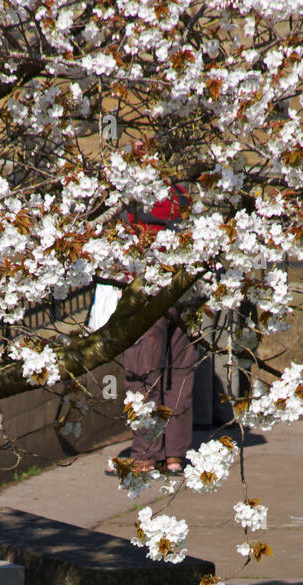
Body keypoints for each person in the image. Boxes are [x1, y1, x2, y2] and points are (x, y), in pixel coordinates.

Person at [104, 164, 198, 478]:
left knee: (144, 375)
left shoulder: (135, 199)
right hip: (184, 292)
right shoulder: (180, 196)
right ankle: (174, 458)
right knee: (179, 377)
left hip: (146, 293)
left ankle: (145, 456)